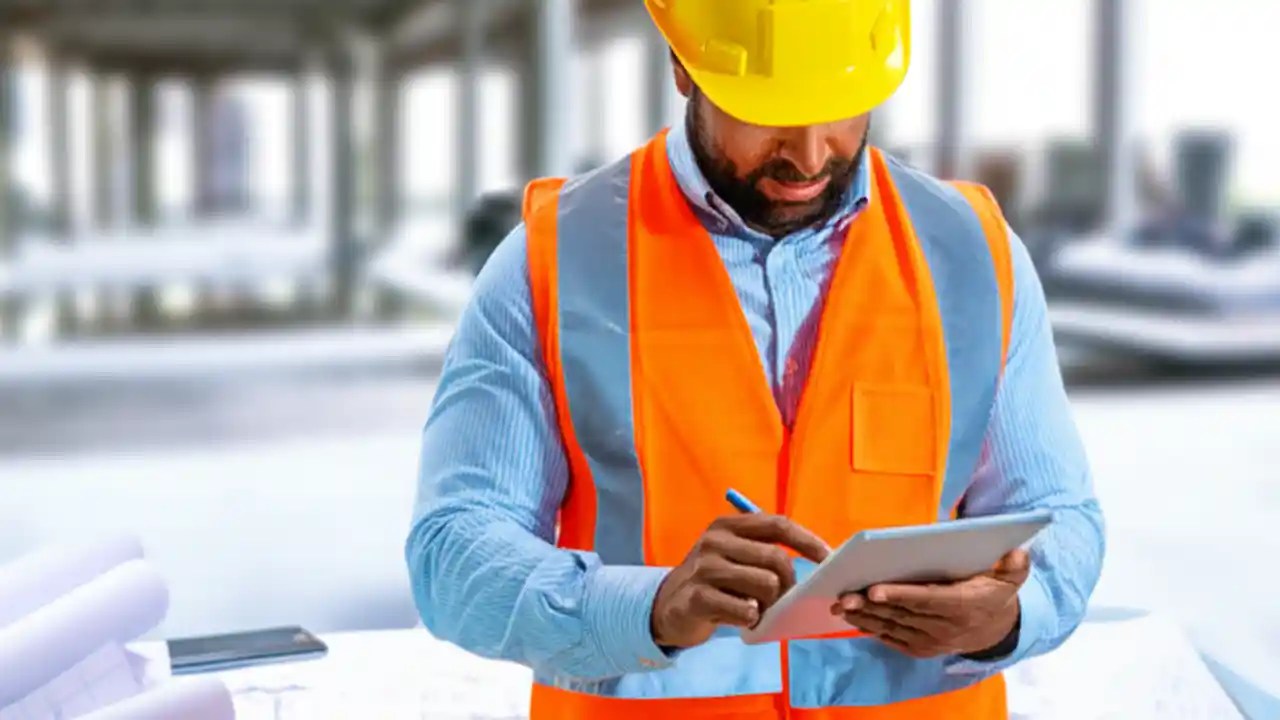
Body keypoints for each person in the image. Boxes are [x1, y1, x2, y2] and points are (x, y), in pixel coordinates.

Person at [406, 1, 1105, 717]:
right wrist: (649, 608)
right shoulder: (553, 261)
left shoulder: (975, 254)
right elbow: (451, 553)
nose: (809, 155)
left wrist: (1009, 617)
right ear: (683, 65)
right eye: (768, 112)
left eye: (841, 107)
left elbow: (1061, 517)